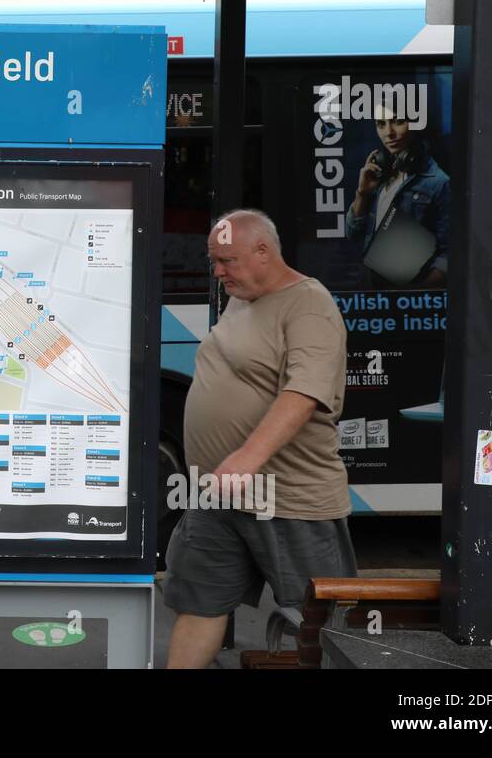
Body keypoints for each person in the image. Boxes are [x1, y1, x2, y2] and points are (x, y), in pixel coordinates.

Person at [165, 209, 356, 669]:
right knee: (199, 603)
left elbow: (306, 392)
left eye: (226, 260)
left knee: (315, 622)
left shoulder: (309, 305)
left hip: (287, 498)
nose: (217, 271)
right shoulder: (242, 295)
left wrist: (247, 458)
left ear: (264, 251)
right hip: (217, 494)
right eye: (214, 260)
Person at [345, 104, 450, 287]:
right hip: (372, 292)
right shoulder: (380, 172)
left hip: (410, 298)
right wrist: (363, 193)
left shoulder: (439, 182)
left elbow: (449, 254)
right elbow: (353, 234)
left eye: (398, 122)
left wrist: (415, 295)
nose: (389, 133)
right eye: (381, 124)